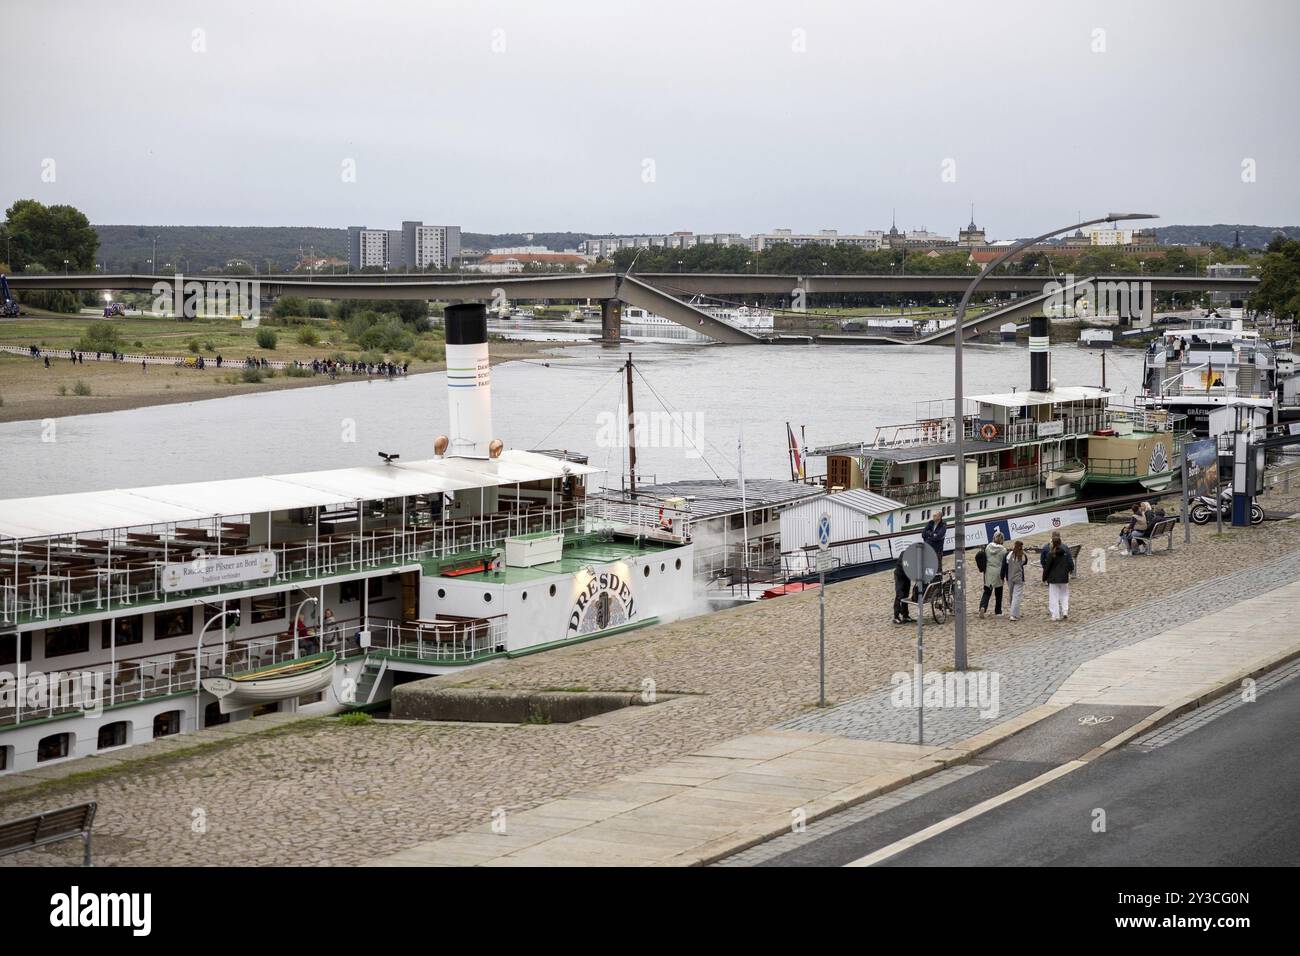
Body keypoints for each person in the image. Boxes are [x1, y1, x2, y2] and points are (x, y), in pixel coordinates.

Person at [1040, 532, 1075, 621]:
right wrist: (1071, 569)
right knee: (1064, 594)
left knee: (1054, 597)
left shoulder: (1050, 553)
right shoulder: (1066, 549)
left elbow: (1046, 567)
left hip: (1053, 578)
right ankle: (1065, 611)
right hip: (1064, 576)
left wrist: (1044, 578)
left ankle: (1055, 615)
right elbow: (1070, 561)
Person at [979, 531, 1007, 617]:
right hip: (998, 571)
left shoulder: (988, 547)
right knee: (999, 593)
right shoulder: (1003, 550)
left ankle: (983, 607)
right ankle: (998, 611)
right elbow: (1004, 562)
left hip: (989, 571)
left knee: (987, 591)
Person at [1005, 540, 1028, 621]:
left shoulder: (1010, 554)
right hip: (1018, 577)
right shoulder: (1022, 555)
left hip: (1010, 577)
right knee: (1017, 596)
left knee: (1012, 595)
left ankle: (1015, 613)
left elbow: (1006, 563)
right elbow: (1025, 562)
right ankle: (1013, 614)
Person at [892, 558, 914, 625]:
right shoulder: (905, 554)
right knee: (900, 595)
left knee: (906, 595)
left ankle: (905, 615)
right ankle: (896, 616)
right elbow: (904, 566)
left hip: (907, 575)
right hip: (900, 575)